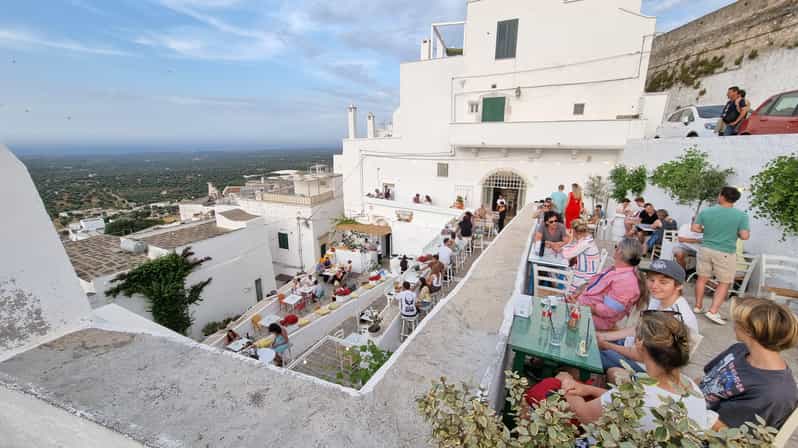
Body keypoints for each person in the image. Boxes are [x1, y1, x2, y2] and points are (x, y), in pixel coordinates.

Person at [558, 311, 714, 431]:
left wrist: (567, 382)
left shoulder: (637, 393)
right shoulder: (691, 387)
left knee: (553, 385)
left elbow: (585, 415)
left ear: (639, 344)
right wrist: (589, 389)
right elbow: (625, 401)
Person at [699, 296, 798, 429]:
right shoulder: (740, 349)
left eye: (737, 321)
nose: (733, 325)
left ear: (749, 331)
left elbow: (724, 431)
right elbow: (704, 380)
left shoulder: (773, 392)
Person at [597, 259, 699, 376]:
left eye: (663, 282)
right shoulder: (659, 299)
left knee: (592, 356)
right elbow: (639, 328)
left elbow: (643, 356)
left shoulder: (675, 316)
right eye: (651, 280)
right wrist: (603, 336)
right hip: (632, 347)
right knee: (593, 340)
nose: (654, 286)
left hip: (647, 368)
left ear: (679, 286)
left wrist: (607, 345)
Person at [693, 186, 751, 325]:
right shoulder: (741, 215)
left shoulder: (706, 211)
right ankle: (713, 311)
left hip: (705, 249)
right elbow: (745, 236)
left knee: (702, 279)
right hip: (725, 252)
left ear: (722, 196)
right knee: (724, 282)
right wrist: (733, 233)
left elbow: (695, 228)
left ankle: (698, 306)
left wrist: (707, 230)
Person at [569, 237, 647, 331]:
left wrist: (581, 306)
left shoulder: (627, 281)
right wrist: (578, 294)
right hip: (583, 310)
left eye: (616, 247)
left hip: (594, 321)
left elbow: (609, 310)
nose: (615, 249)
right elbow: (593, 285)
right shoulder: (617, 270)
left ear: (620, 252)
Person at [561, 219, 601, 294]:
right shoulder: (587, 239)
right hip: (588, 272)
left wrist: (569, 240)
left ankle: (564, 293)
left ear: (575, 232)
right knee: (565, 269)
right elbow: (572, 248)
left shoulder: (585, 243)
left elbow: (566, 255)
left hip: (585, 278)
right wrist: (563, 248)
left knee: (562, 271)